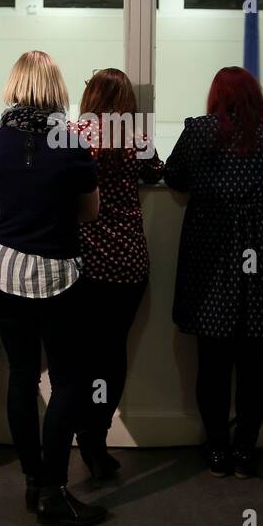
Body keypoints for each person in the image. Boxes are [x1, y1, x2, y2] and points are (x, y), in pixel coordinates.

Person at [0, 50, 105, 526]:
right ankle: (54, 493)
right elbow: (89, 212)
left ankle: (33, 481)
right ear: (57, 91)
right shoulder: (72, 144)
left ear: (14, 87)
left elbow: (0, 199)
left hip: (4, 270)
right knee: (69, 382)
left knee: (22, 375)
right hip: (59, 274)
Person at [165, 67, 263, 479]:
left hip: (212, 245)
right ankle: (245, 452)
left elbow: (175, 176)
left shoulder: (200, 130)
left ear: (215, 96)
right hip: (262, 244)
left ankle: (218, 449)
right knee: (255, 359)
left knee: (213, 358)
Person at [70, 68, 163, 480]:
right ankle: (97, 436)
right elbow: (156, 172)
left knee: (83, 353)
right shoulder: (136, 137)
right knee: (112, 352)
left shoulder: (75, 132)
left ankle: (81, 432)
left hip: (83, 261)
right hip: (127, 261)